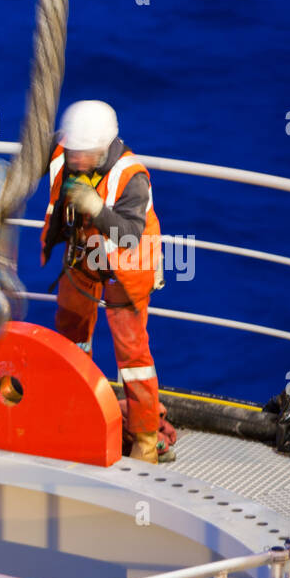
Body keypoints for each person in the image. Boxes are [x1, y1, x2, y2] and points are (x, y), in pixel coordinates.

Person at [40, 100, 167, 464]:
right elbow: (34, 151)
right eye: (73, 151)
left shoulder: (132, 177)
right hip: (85, 255)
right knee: (71, 335)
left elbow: (129, 235)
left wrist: (95, 207)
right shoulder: (65, 150)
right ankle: (79, 413)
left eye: (84, 153)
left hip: (126, 266)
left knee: (132, 353)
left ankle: (144, 438)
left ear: (104, 146)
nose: (76, 159)